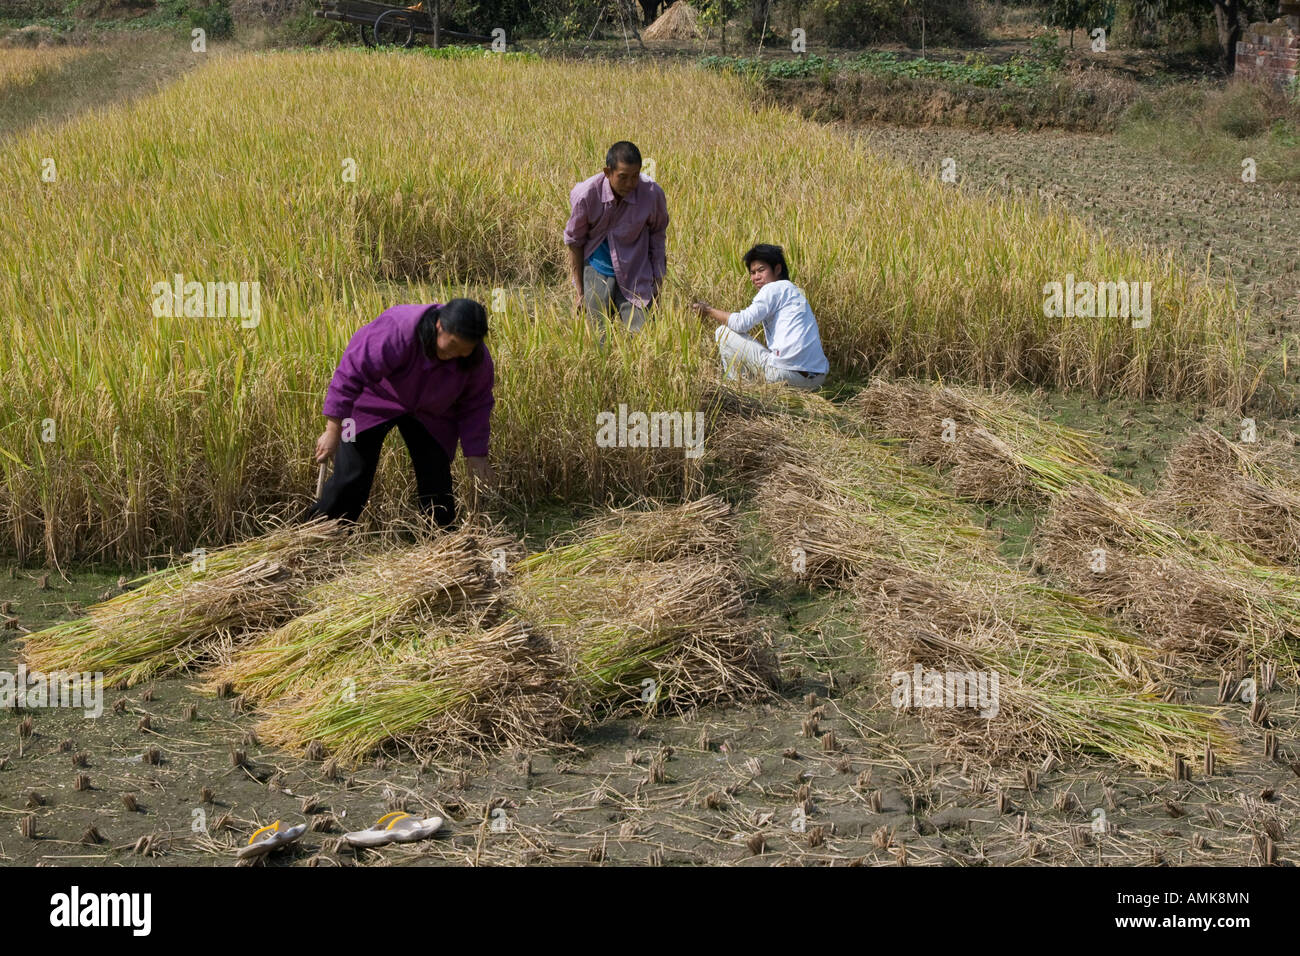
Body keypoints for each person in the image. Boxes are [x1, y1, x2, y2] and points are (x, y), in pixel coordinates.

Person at [302, 299, 495, 529]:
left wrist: (476, 453)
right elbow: (350, 373)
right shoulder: (397, 329)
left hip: (432, 414)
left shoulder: (477, 359)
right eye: (452, 346)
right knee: (352, 474)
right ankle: (323, 532)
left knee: (436, 477)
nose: (455, 355)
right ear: (439, 326)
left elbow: (477, 404)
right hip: (369, 404)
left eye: (464, 351)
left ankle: (442, 541)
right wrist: (333, 430)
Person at [563, 140, 669, 339]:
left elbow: (658, 234)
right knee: (598, 338)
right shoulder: (586, 195)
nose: (630, 184)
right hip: (597, 269)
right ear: (607, 172)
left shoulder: (652, 194)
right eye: (623, 177)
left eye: (635, 176)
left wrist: (658, 281)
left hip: (636, 270)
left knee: (643, 337)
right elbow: (574, 242)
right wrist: (579, 291)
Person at [692, 244, 829, 390]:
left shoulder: (773, 288)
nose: (755, 277)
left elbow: (741, 323)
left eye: (761, 270)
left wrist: (707, 310)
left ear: (777, 269)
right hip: (817, 379)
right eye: (752, 272)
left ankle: (737, 390)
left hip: (785, 375)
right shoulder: (795, 291)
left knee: (723, 333)